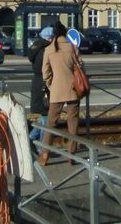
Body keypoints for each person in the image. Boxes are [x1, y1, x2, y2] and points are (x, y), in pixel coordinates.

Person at [38, 21, 83, 166]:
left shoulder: (49, 49)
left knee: (51, 123)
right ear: (65, 32)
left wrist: (51, 84)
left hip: (56, 90)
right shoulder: (72, 47)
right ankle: (71, 154)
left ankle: (45, 155)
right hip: (73, 89)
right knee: (73, 123)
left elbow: (45, 73)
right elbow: (81, 65)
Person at [27, 27, 53, 142]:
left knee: (44, 117)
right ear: (50, 38)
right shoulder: (46, 50)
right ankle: (41, 146)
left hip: (37, 83)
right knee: (46, 117)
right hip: (45, 86)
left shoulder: (36, 47)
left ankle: (30, 140)